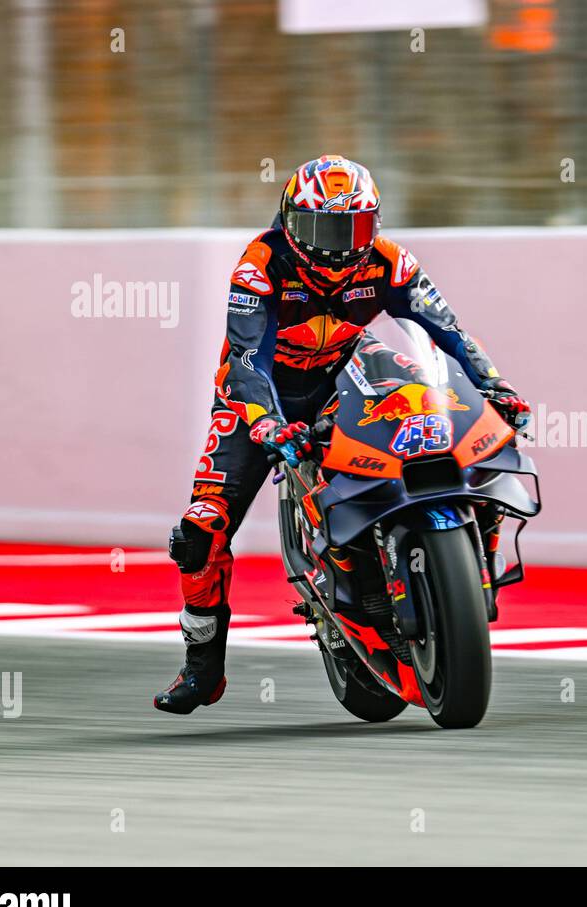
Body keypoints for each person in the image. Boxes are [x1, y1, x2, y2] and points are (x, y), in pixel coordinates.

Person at [155, 155, 530, 715]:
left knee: (462, 427)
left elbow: (446, 331)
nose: (336, 245)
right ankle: (203, 667)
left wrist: (494, 386)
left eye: (351, 228)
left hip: (349, 371)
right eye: (322, 228)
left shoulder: (389, 261)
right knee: (199, 534)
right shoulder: (261, 266)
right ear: (289, 221)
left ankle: (477, 562)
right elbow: (244, 358)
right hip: (263, 392)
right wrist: (264, 422)